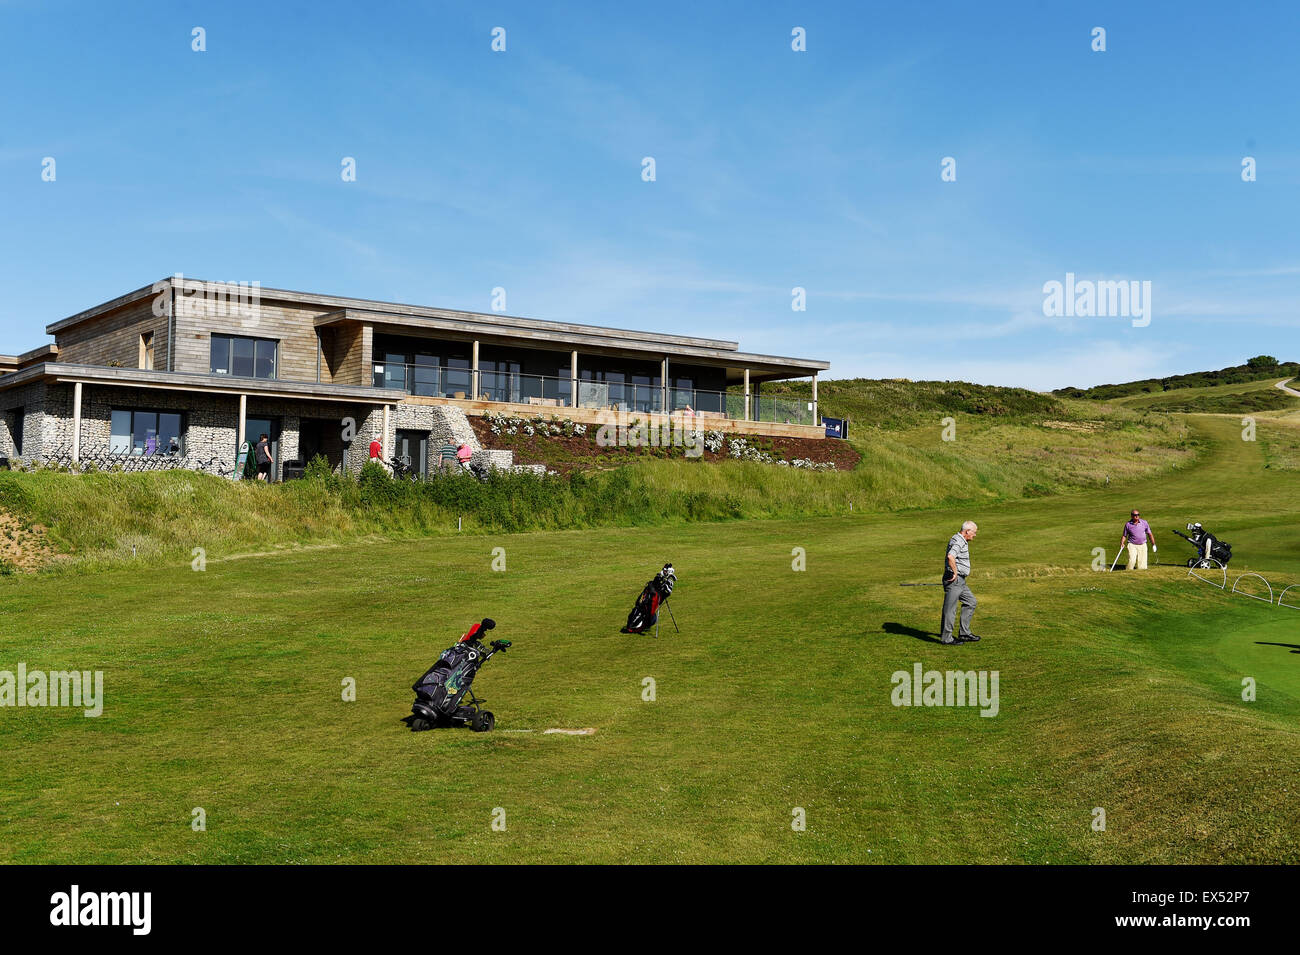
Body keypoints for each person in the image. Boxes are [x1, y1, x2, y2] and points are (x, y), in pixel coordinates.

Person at [940, 521, 980, 645]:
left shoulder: (960, 540)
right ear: (967, 531)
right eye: (974, 532)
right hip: (955, 580)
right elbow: (950, 556)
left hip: (960, 581)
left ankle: (964, 633)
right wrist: (955, 572)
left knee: (971, 602)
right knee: (950, 610)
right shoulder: (958, 541)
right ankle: (947, 638)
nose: (975, 535)